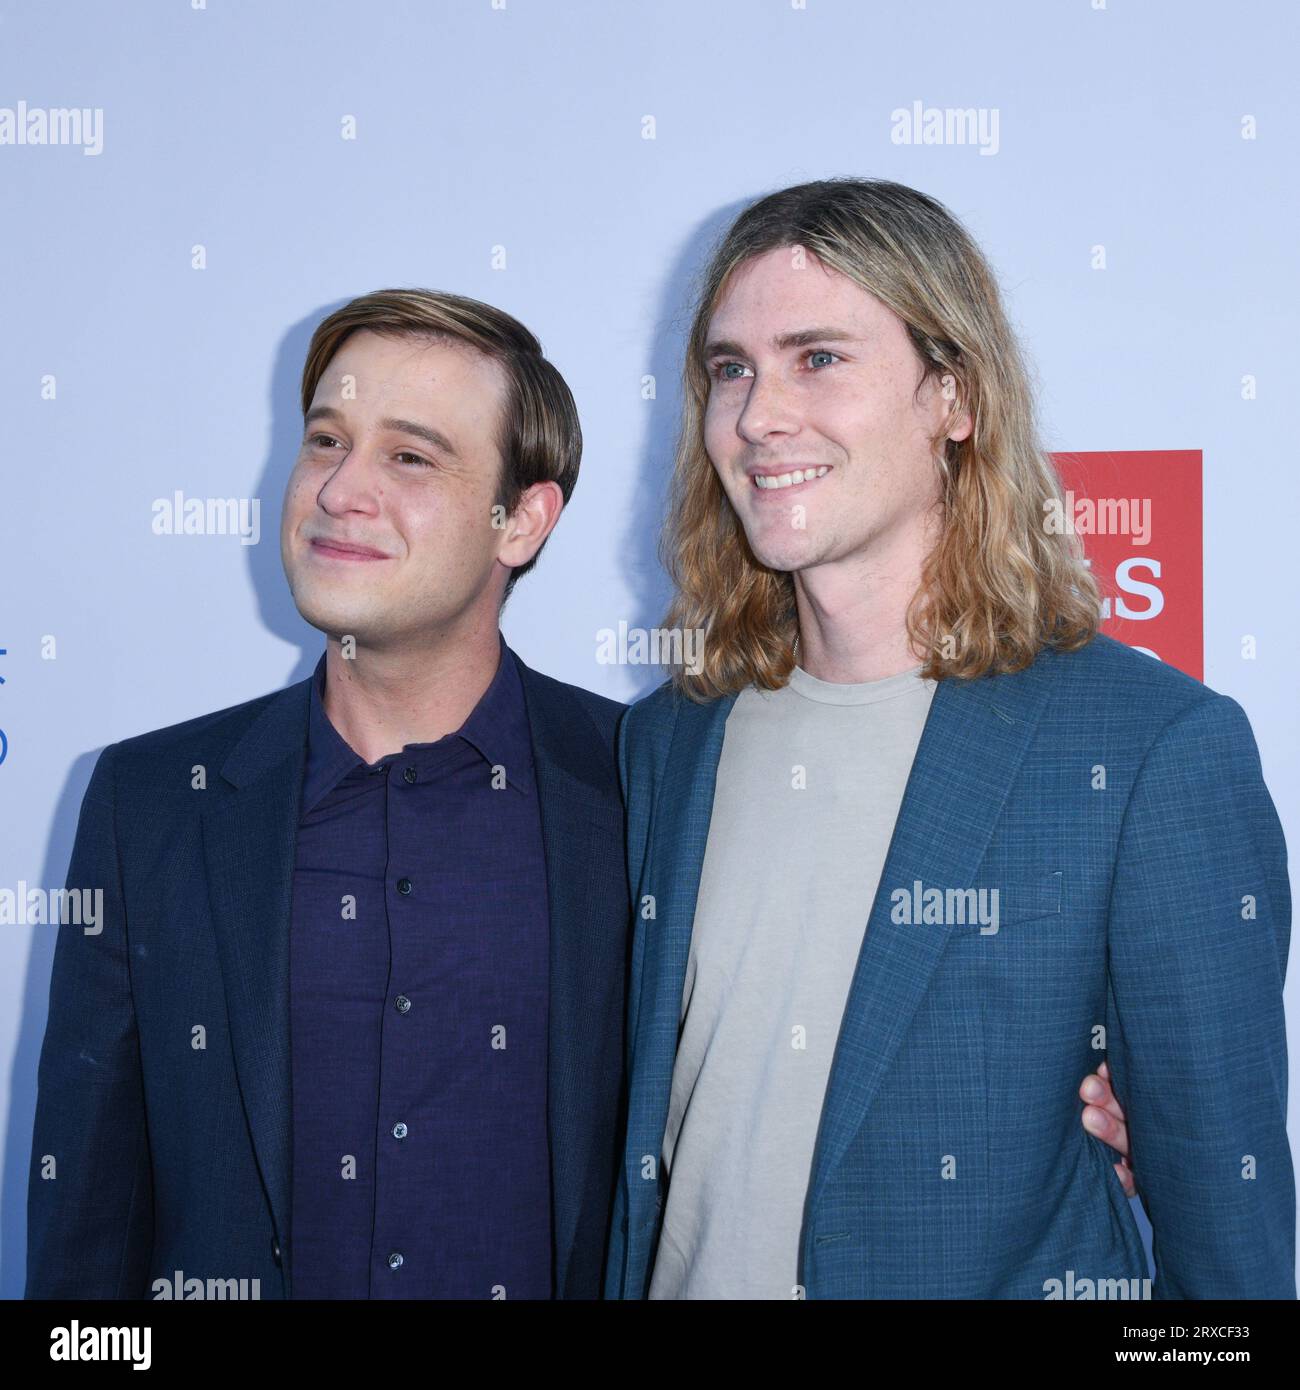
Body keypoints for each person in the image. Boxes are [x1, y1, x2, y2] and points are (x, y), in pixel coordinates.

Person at [26, 285, 1131, 1302]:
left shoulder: (651, 779)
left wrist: (1080, 1078)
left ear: (524, 520)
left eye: (411, 458)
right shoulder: (153, 802)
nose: (340, 489)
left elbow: (802, 1033)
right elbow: (89, 1220)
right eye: (325, 440)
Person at [604, 179, 1293, 1300]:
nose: (759, 415)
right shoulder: (664, 745)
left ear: (953, 396)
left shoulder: (1148, 753)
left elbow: (1233, 1267)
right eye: (730, 368)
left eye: (817, 357)